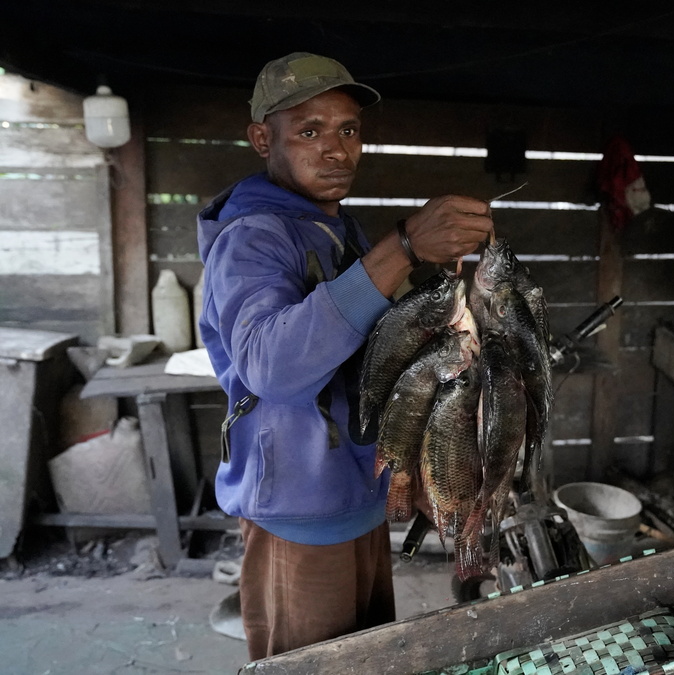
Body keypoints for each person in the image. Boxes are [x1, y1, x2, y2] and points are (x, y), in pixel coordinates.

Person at [196, 52, 494, 660]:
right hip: (298, 512)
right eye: (309, 131)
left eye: (348, 130)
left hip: (358, 500)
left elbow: (376, 354)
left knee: (363, 661)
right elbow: (273, 367)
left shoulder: (337, 230)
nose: (336, 150)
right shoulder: (253, 237)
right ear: (262, 139)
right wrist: (404, 246)